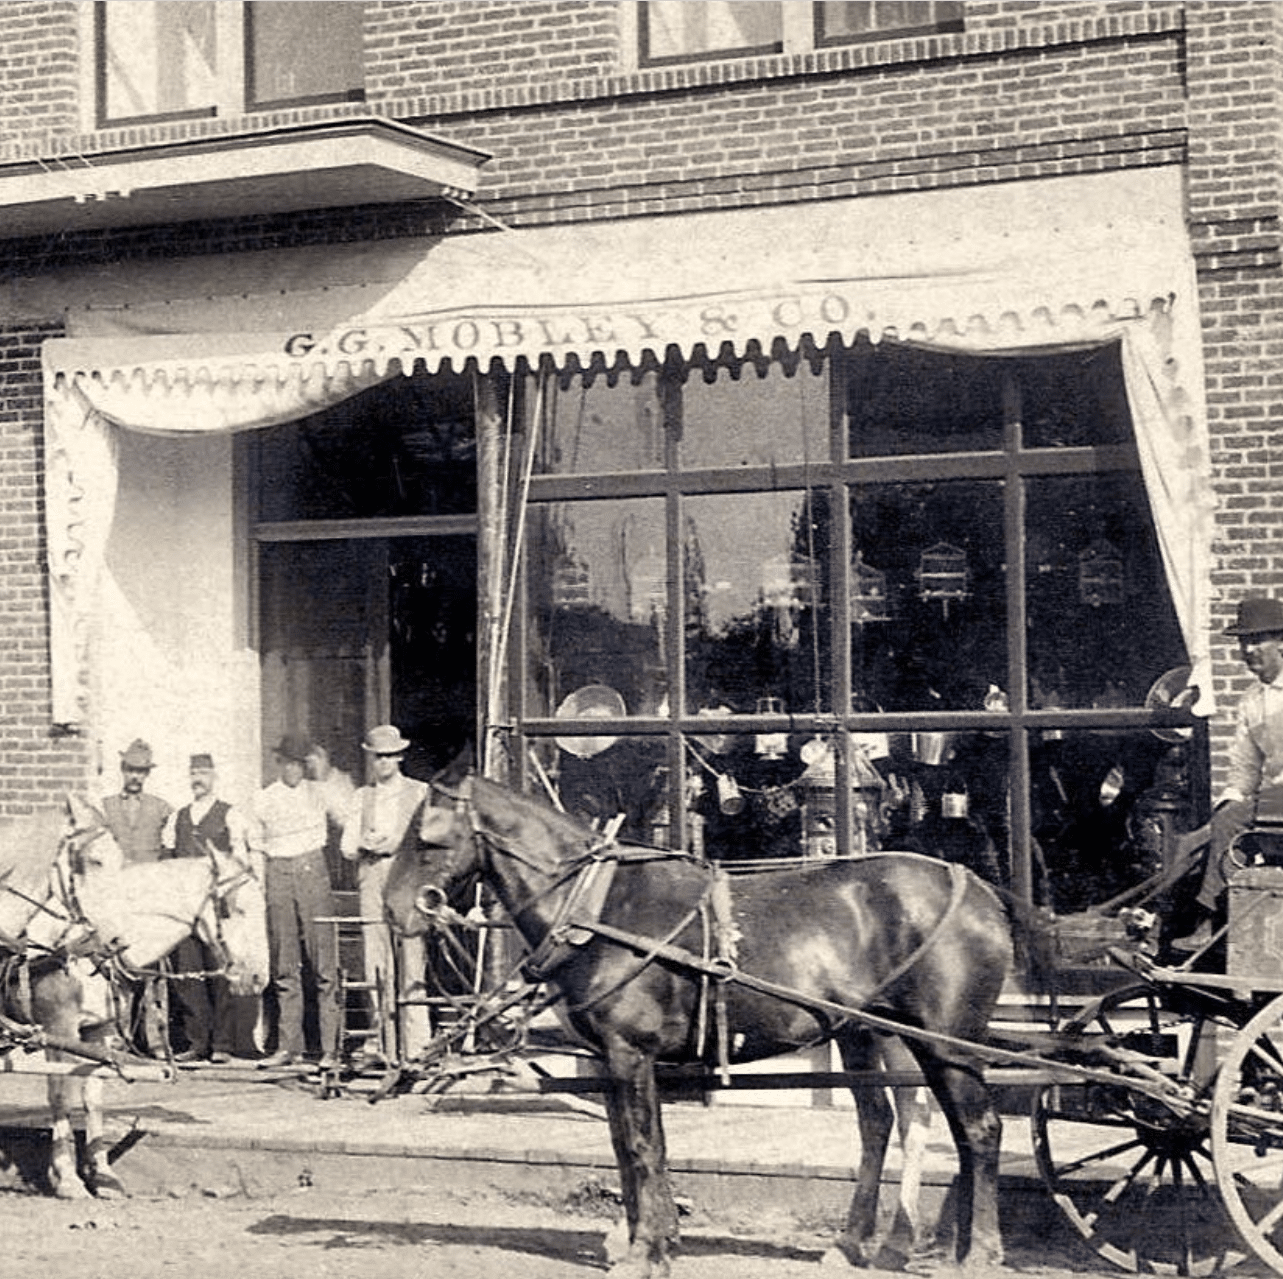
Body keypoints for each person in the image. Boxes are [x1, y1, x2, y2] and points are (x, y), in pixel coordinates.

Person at [1173, 596, 1283, 951]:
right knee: (1196, 840)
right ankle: (1169, 929)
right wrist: (1222, 810)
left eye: (1257, 641)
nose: (1249, 650)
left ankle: (1208, 924)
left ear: (1281, 642)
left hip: (1278, 801)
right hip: (1273, 803)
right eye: (1243, 642)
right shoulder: (1251, 700)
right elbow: (1244, 770)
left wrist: (1235, 815)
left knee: (1230, 822)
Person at [340, 725, 431, 1062]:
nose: (383, 762)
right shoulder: (362, 797)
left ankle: (417, 1044)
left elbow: (430, 839)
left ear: (400, 756)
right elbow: (346, 845)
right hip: (371, 875)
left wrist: (399, 842)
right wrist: (362, 844)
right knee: (375, 959)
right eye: (378, 757)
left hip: (405, 876)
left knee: (411, 957)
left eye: (389, 756)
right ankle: (382, 1040)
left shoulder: (420, 792)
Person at [250, 733, 341, 1069]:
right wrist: (262, 883)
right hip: (278, 872)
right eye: (288, 763)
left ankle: (330, 1048)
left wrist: (323, 768)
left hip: (311, 868)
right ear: (279, 764)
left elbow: (345, 810)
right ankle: (290, 1046)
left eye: (299, 764)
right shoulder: (263, 799)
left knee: (323, 962)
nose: (293, 770)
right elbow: (255, 844)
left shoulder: (319, 792)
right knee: (285, 962)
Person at [161, 754, 254, 1063]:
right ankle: (196, 1041)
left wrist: (228, 895)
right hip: (188, 909)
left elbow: (241, 861)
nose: (198, 778)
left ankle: (222, 1044)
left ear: (214, 776)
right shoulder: (178, 817)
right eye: (194, 773)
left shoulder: (230, 815)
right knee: (189, 975)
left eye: (203, 772)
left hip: (217, 907)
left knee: (220, 973)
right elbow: (169, 861)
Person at [100, 739, 173, 864]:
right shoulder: (105, 806)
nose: (134, 776)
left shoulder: (162, 807)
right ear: (122, 769)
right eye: (130, 770)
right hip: (117, 877)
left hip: (150, 878)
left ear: (147, 774)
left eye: (140, 771)